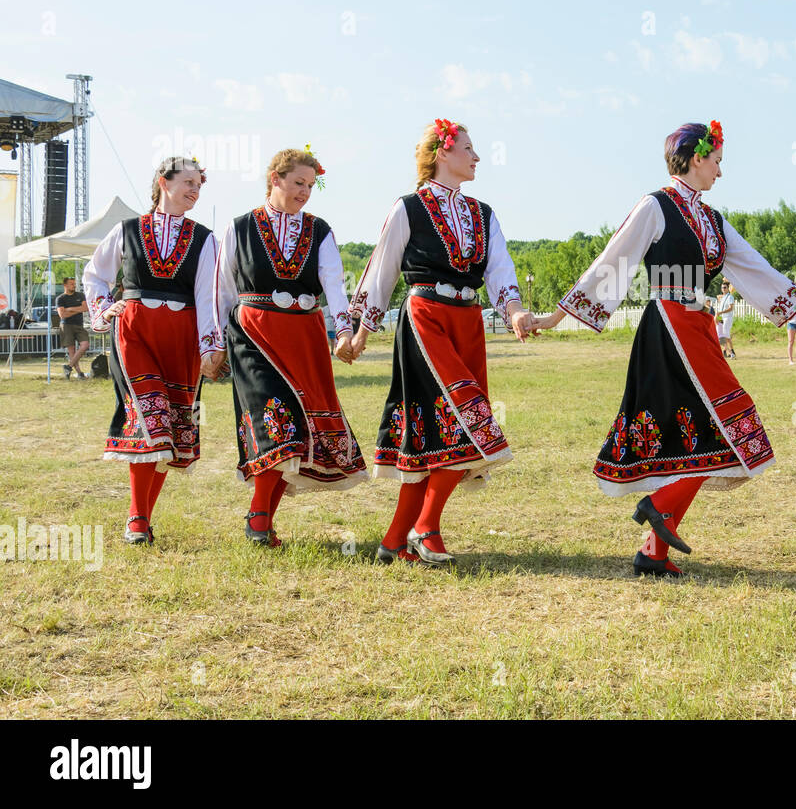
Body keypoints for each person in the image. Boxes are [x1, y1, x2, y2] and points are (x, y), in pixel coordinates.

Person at [533, 121, 796, 578]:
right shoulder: (655, 206)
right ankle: (657, 506)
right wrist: (557, 316)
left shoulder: (713, 220)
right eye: (717, 160)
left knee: (698, 435)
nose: (721, 170)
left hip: (699, 325)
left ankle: (653, 552)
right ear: (696, 158)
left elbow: (755, 268)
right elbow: (613, 259)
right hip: (669, 327)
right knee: (724, 429)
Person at [349, 120, 533, 566]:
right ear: (441, 153)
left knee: (436, 434)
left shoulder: (483, 213)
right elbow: (382, 273)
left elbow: (500, 270)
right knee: (465, 421)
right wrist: (358, 333)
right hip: (425, 318)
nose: (476, 157)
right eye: (468, 148)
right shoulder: (408, 208)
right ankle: (425, 528)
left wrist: (514, 311)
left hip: (468, 322)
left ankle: (396, 540)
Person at [205, 146, 367, 546]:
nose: (305, 193)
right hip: (253, 335)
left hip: (305, 336)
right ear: (275, 178)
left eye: (311, 186)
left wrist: (343, 332)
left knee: (296, 429)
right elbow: (221, 291)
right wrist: (211, 345)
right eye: (298, 183)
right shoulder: (239, 227)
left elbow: (334, 284)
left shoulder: (319, 230)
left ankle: (261, 518)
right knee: (274, 423)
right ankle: (259, 519)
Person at [83, 157, 219, 545]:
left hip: (182, 339)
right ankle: (137, 521)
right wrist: (103, 308)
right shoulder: (127, 230)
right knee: (150, 419)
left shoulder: (205, 237)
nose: (195, 190)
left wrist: (211, 346)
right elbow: (95, 275)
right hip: (134, 334)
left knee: (171, 428)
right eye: (188, 182)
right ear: (164, 181)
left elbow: (208, 297)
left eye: (199, 185)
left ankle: (141, 517)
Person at [56, 276, 90, 380]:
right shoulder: (60, 298)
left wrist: (70, 309)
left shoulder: (80, 295)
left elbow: (85, 308)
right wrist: (78, 310)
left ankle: (69, 366)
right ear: (65, 285)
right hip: (66, 325)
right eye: (71, 284)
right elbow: (62, 315)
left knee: (85, 345)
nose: (74, 285)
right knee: (72, 351)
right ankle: (79, 373)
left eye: (74, 284)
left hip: (79, 325)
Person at [714, 278, 735, 358]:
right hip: (723, 318)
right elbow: (721, 308)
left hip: (728, 318)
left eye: (725, 287)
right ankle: (726, 351)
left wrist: (721, 313)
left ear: (728, 288)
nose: (723, 289)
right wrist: (718, 315)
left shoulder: (730, 297)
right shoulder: (723, 297)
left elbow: (731, 308)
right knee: (724, 335)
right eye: (722, 288)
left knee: (726, 335)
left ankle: (731, 352)